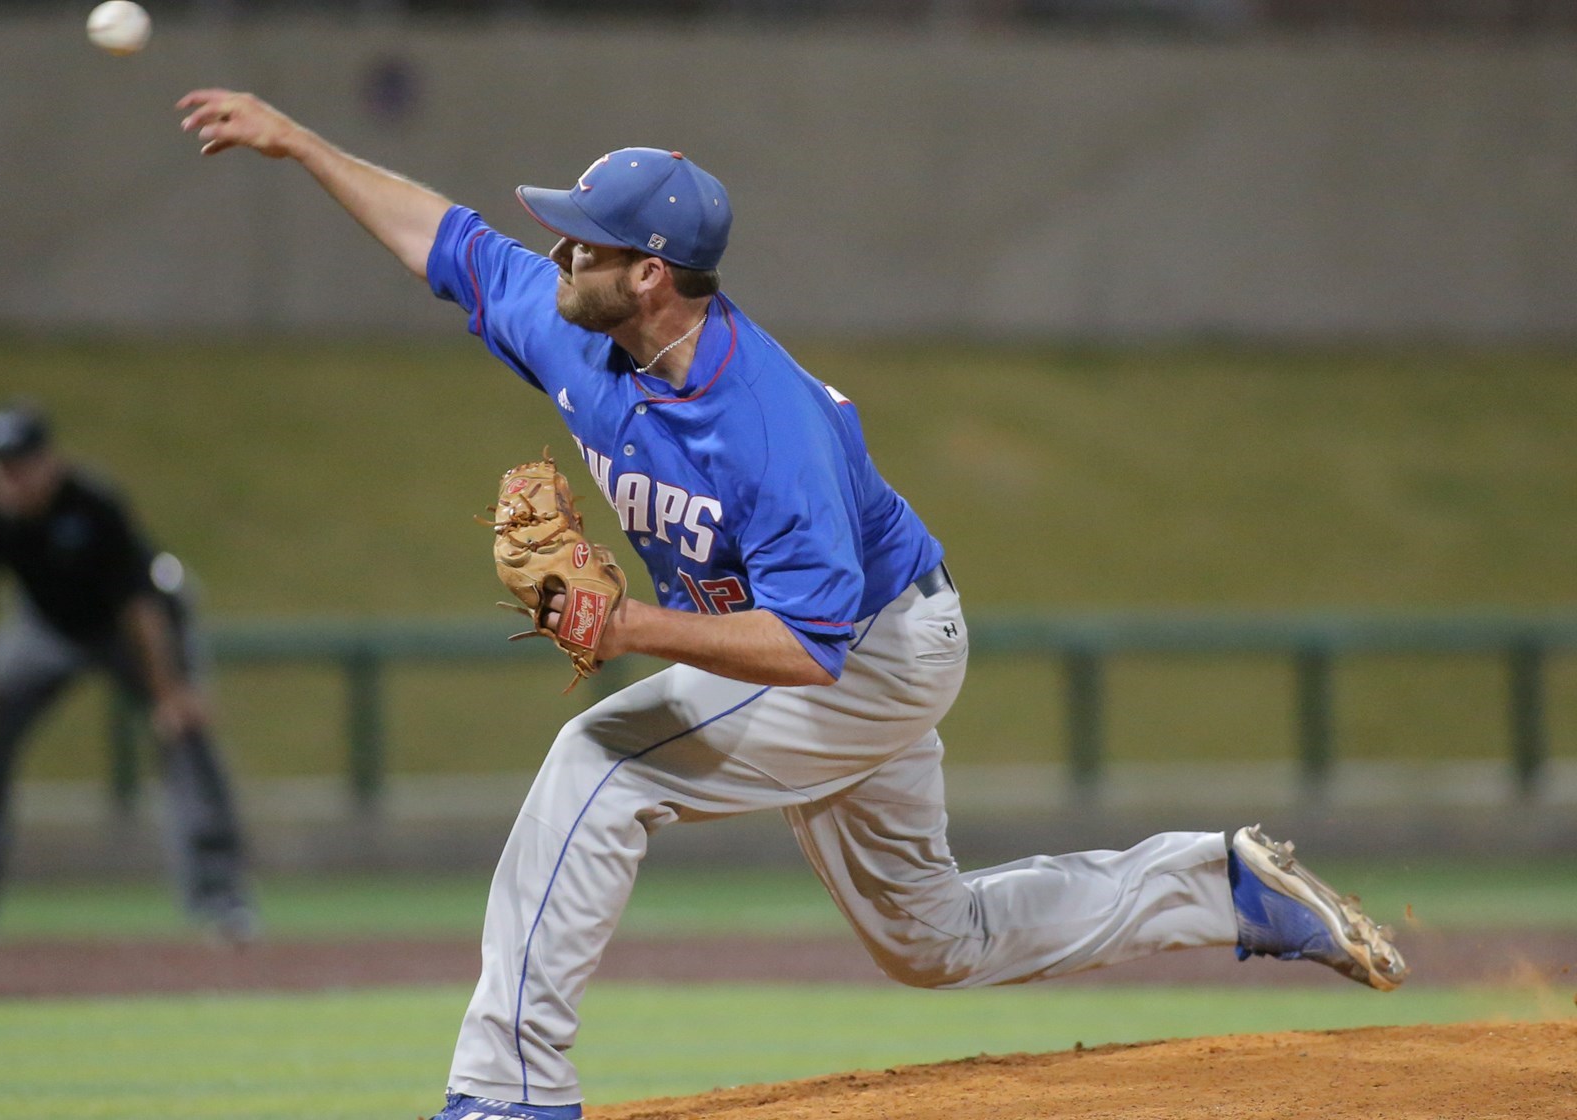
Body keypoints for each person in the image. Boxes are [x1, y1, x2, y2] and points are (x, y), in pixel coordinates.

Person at [173, 90, 1408, 1119]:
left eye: (585, 244)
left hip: (874, 650)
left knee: (598, 764)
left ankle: (504, 1088)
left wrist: (626, 630)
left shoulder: (766, 426)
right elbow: (437, 241)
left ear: (648, 274)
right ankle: (1217, 885)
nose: (558, 256)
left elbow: (808, 649)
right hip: (819, 648)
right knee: (930, 942)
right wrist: (299, 143)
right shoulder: (578, 334)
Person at [0, 403, 254, 946]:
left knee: (186, 733)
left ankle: (221, 903)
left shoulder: (93, 504)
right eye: (0, 465)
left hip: (131, 628)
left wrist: (170, 692)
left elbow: (140, 607)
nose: (11, 477)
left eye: (23, 463)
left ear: (48, 462)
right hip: (45, 629)